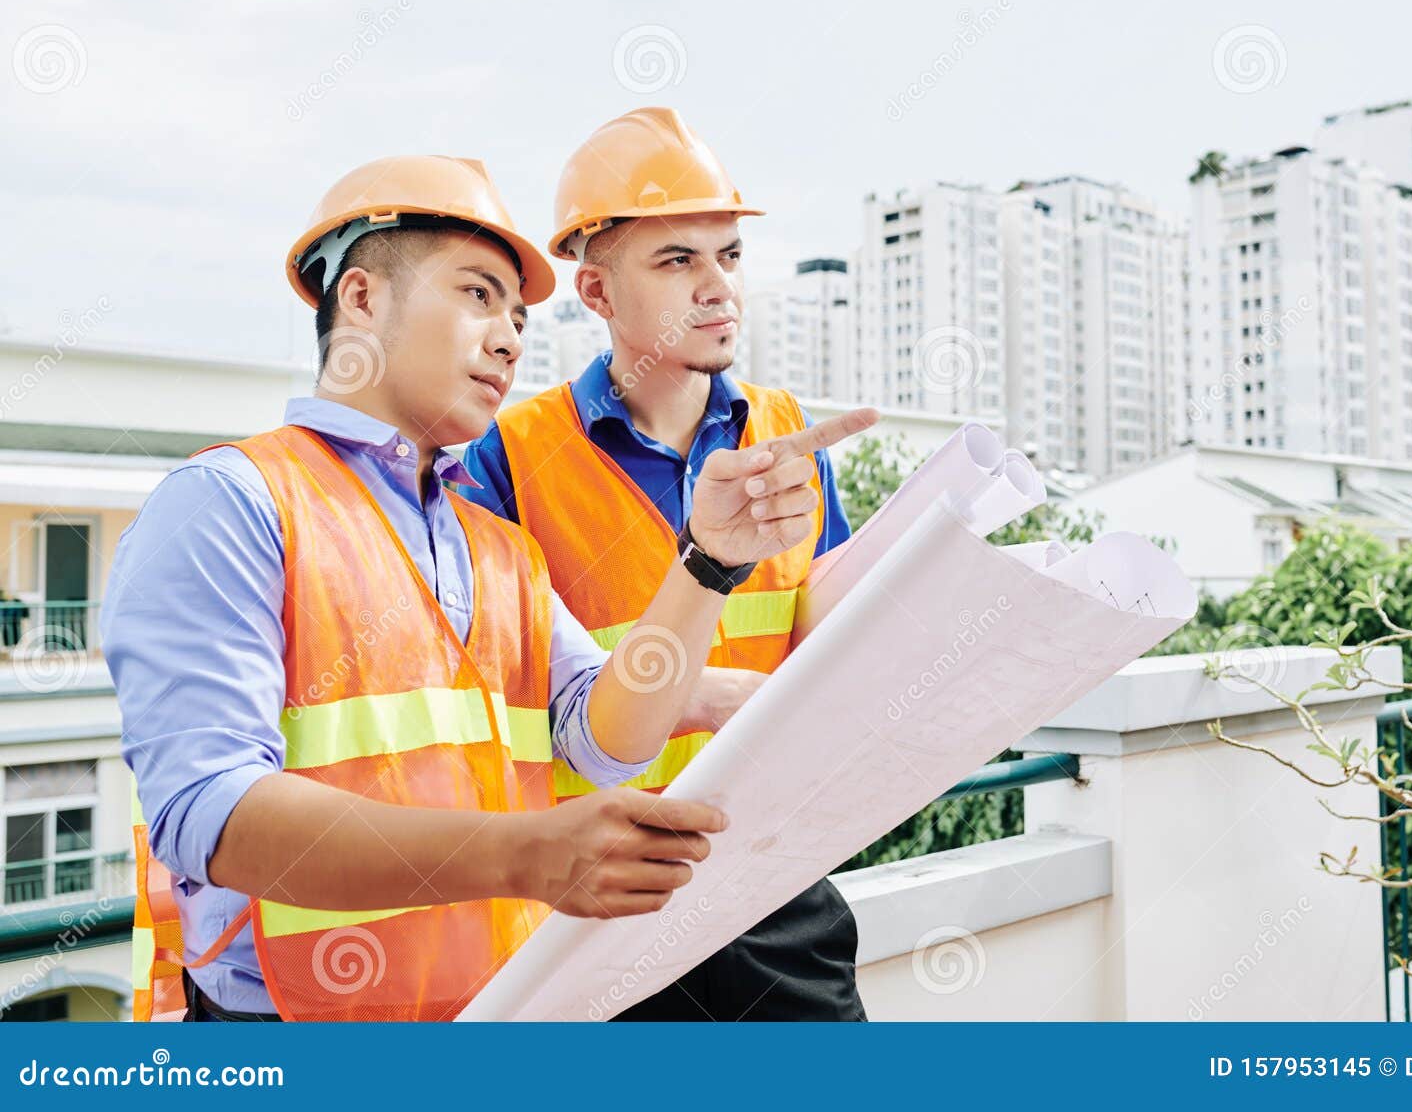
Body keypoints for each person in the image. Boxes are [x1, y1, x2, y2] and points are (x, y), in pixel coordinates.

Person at [107, 154, 872, 1021]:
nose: (510, 337)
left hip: (494, 1011)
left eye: (517, 313)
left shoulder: (496, 548)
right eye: (477, 294)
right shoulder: (231, 504)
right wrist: (522, 855)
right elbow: (210, 811)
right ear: (360, 300)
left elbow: (604, 735)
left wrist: (705, 563)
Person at [458, 110, 870, 1021]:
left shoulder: (787, 435)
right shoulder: (508, 458)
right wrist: (701, 693)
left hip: (772, 882)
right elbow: (495, 696)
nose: (717, 285)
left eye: (727, 254)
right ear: (597, 292)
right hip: (603, 896)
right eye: (678, 260)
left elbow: (831, 650)